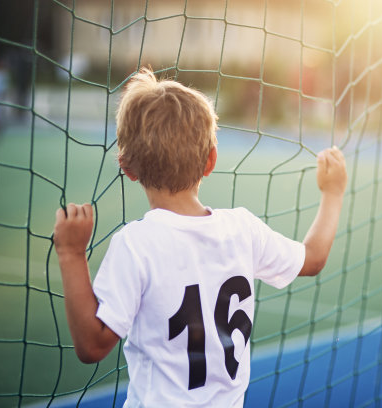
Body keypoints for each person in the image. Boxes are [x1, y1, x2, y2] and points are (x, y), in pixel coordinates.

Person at [52, 68, 347, 407]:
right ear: (211, 161)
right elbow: (314, 257)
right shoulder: (242, 228)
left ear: (127, 167)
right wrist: (333, 193)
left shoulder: (136, 244)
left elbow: (92, 346)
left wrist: (72, 254)